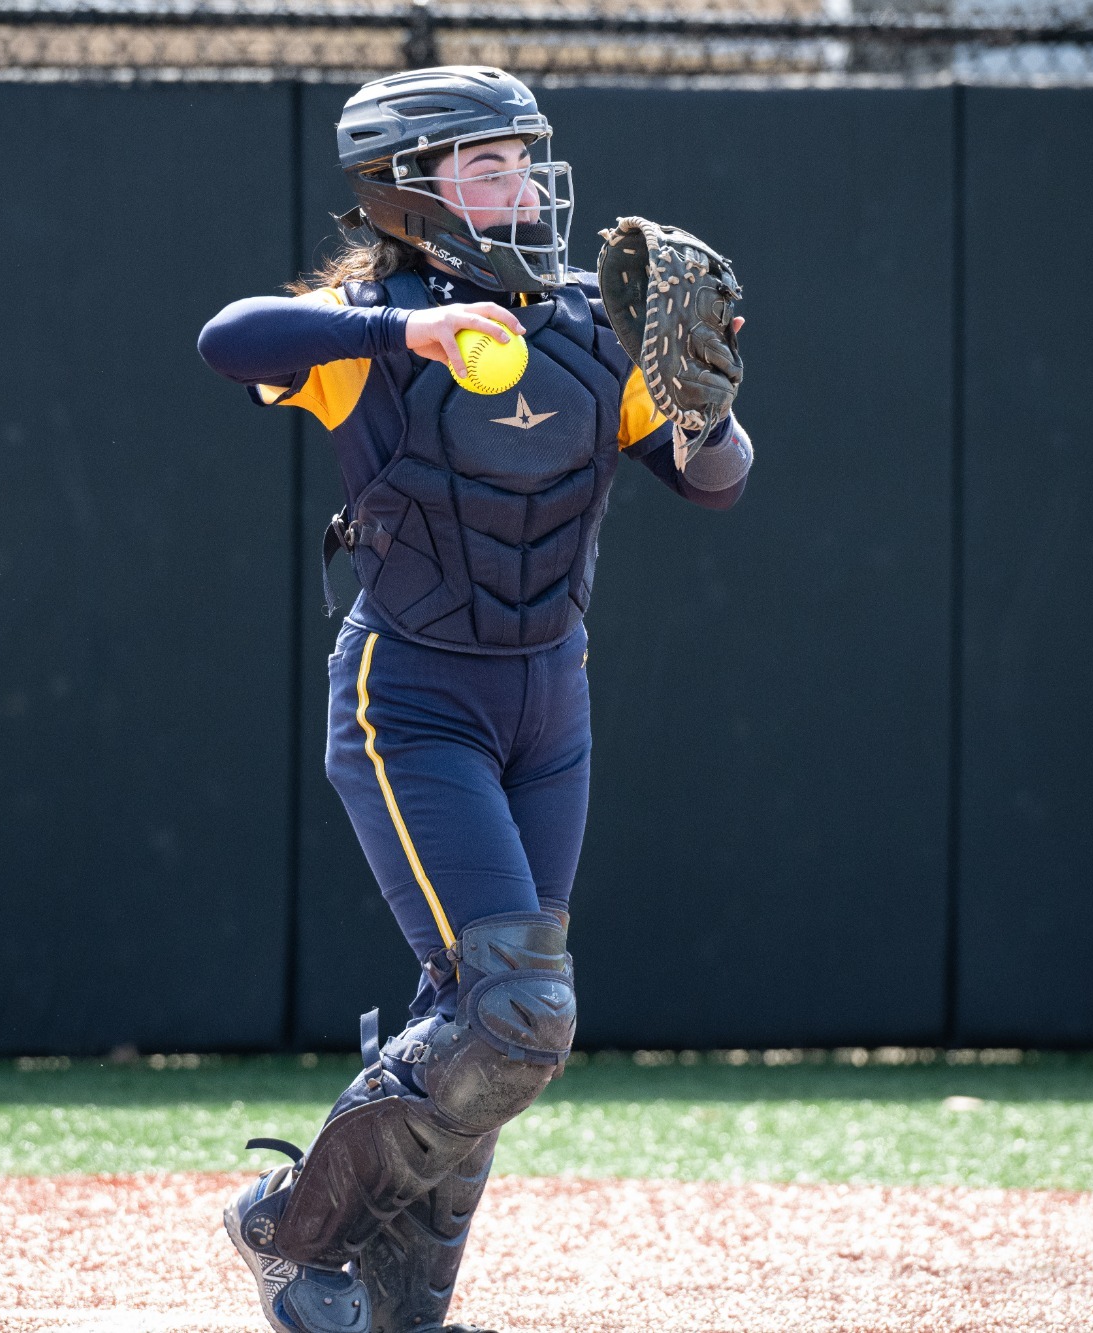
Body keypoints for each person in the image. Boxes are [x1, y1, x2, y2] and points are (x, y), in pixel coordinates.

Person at [196, 65, 753, 1333]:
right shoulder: (367, 326)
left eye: (524, 162)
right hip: (414, 700)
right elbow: (226, 341)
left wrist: (707, 406)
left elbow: (712, 480)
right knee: (517, 1009)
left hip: (549, 704)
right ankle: (286, 1228)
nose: (520, 189)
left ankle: (406, 1306)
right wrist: (402, 334)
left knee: (489, 1022)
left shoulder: (583, 322)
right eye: (485, 166)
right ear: (405, 193)